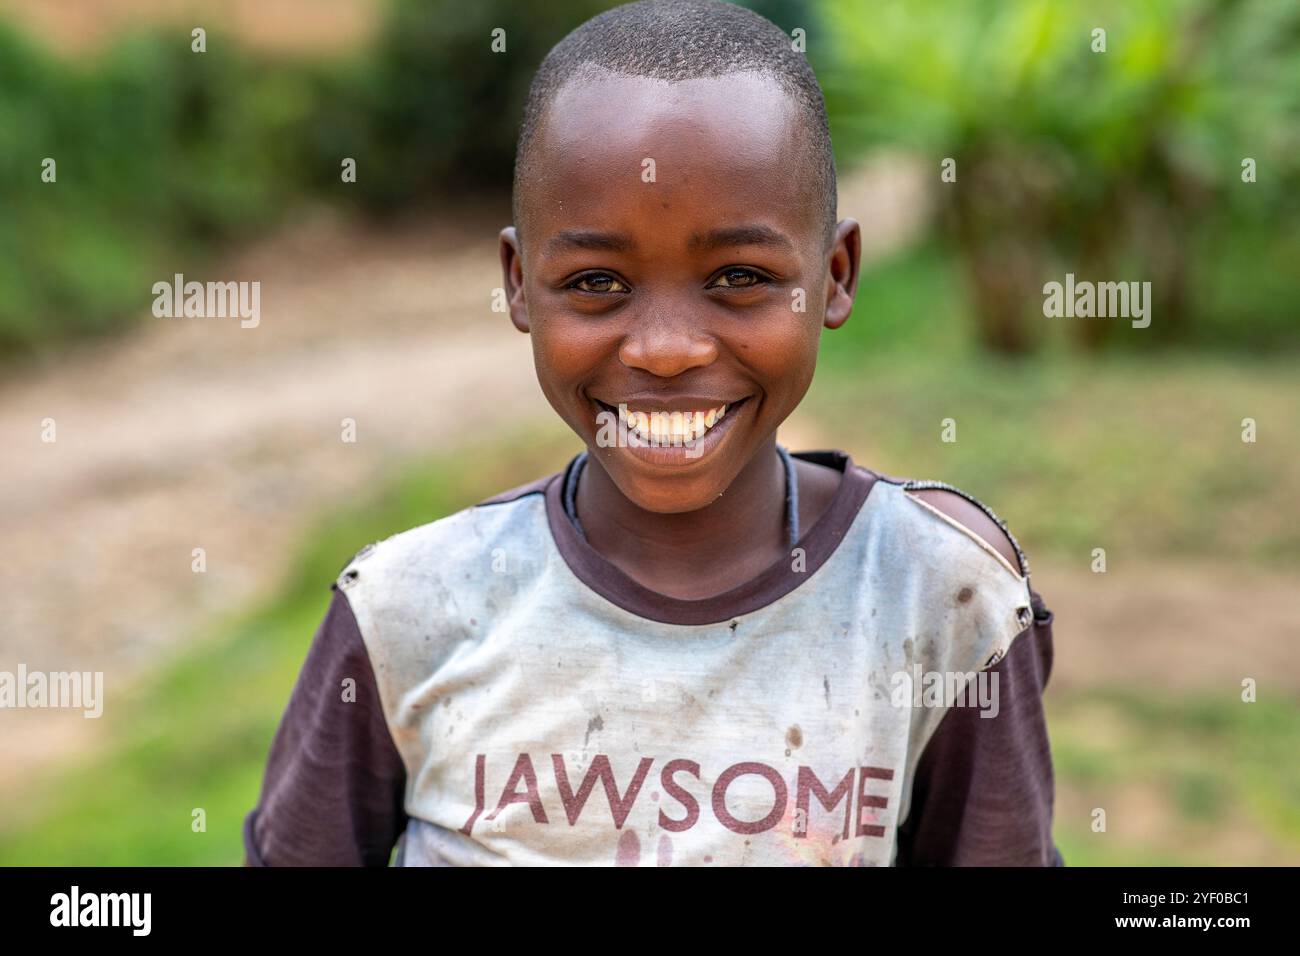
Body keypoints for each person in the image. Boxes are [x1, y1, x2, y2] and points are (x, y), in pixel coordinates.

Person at [244, 0, 1062, 866]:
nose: (666, 351)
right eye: (597, 281)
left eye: (739, 277)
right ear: (520, 285)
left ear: (834, 276)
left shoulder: (936, 599)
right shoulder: (408, 609)